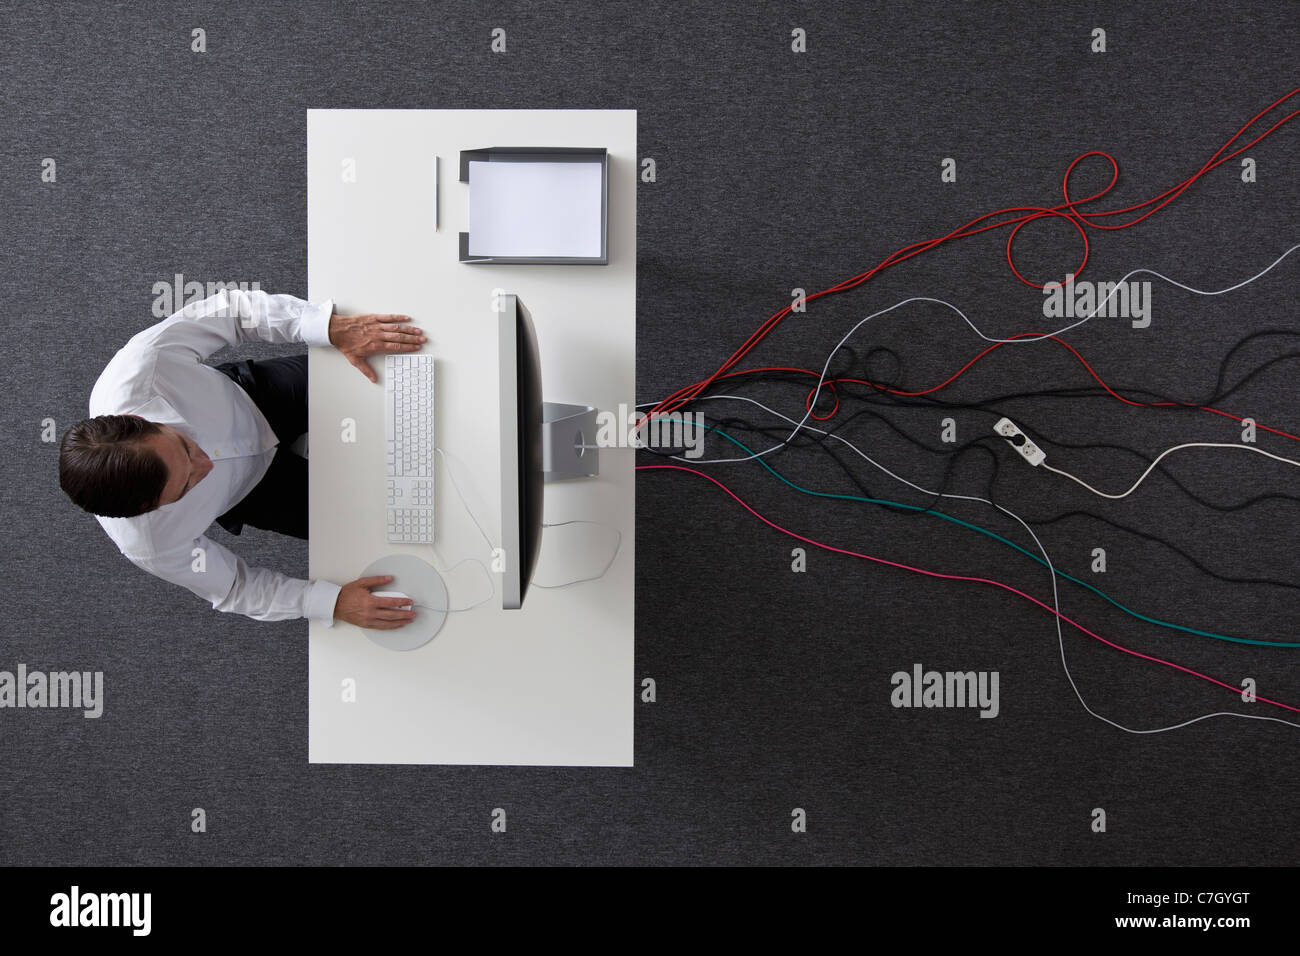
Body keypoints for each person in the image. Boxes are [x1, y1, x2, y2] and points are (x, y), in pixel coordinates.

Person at [59, 288, 420, 631]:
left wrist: (326, 327)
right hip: (254, 492)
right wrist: (330, 603)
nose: (207, 466)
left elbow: (233, 314)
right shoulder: (149, 543)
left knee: (401, 380)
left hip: (255, 399)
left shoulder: (141, 368)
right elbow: (234, 588)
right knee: (399, 517)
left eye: (186, 447)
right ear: (149, 509)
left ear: (141, 421)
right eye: (186, 487)